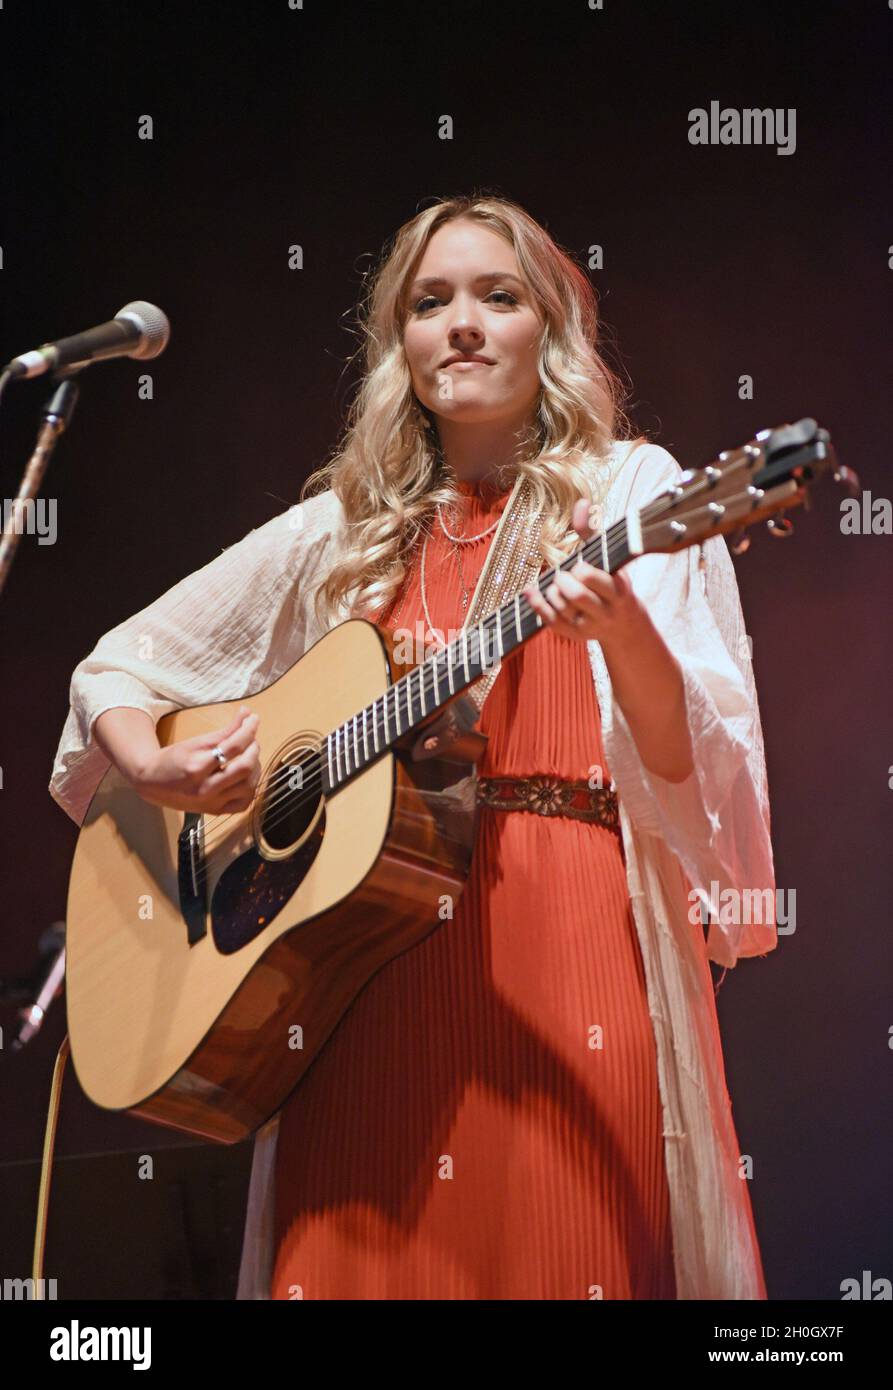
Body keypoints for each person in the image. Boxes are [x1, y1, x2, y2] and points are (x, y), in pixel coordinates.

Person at [49, 193, 777, 1300]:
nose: (463, 325)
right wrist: (149, 761)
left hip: (563, 944)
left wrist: (622, 633)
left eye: (499, 296)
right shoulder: (342, 531)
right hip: (356, 970)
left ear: (553, 331)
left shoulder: (631, 489)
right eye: (430, 303)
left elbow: (695, 764)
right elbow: (120, 664)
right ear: (400, 343)